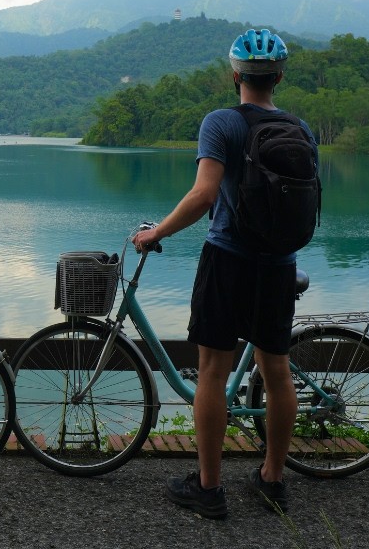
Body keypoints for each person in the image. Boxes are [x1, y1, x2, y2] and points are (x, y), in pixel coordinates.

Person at [133, 29, 316, 519]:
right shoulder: (302, 128)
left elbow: (203, 196)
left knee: (212, 371)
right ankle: (273, 480)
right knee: (276, 372)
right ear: (279, 76)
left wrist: (156, 233)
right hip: (279, 265)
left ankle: (209, 489)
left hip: (229, 259)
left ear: (234, 76)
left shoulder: (221, 123)